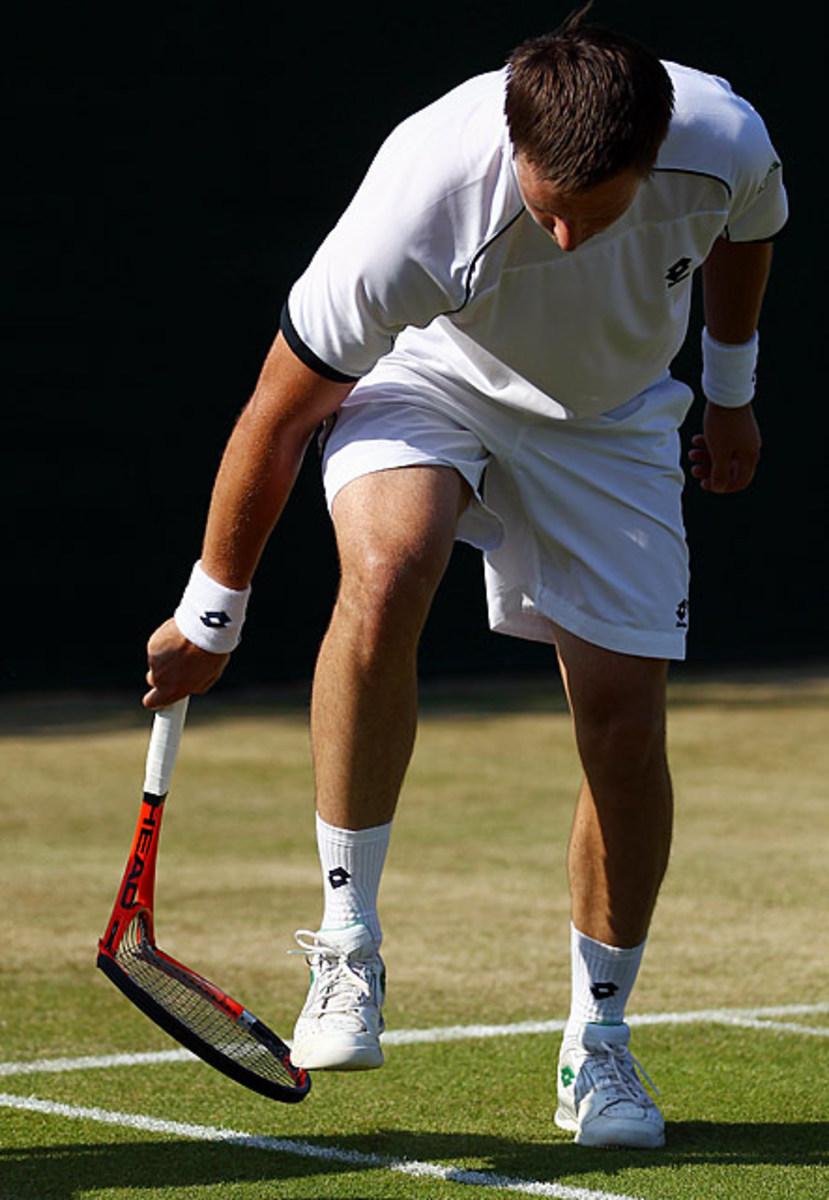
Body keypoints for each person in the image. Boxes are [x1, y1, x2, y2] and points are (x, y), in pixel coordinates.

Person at [142, 2, 787, 1149]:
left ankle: (598, 1045)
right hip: (429, 377)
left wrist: (729, 391)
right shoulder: (422, 199)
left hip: (616, 417)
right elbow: (279, 416)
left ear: (649, 158)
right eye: (549, 213)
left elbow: (749, 234)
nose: (571, 241)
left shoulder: (724, 139)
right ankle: (347, 949)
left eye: (596, 213)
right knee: (388, 574)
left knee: (627, 727)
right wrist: (212, 610)